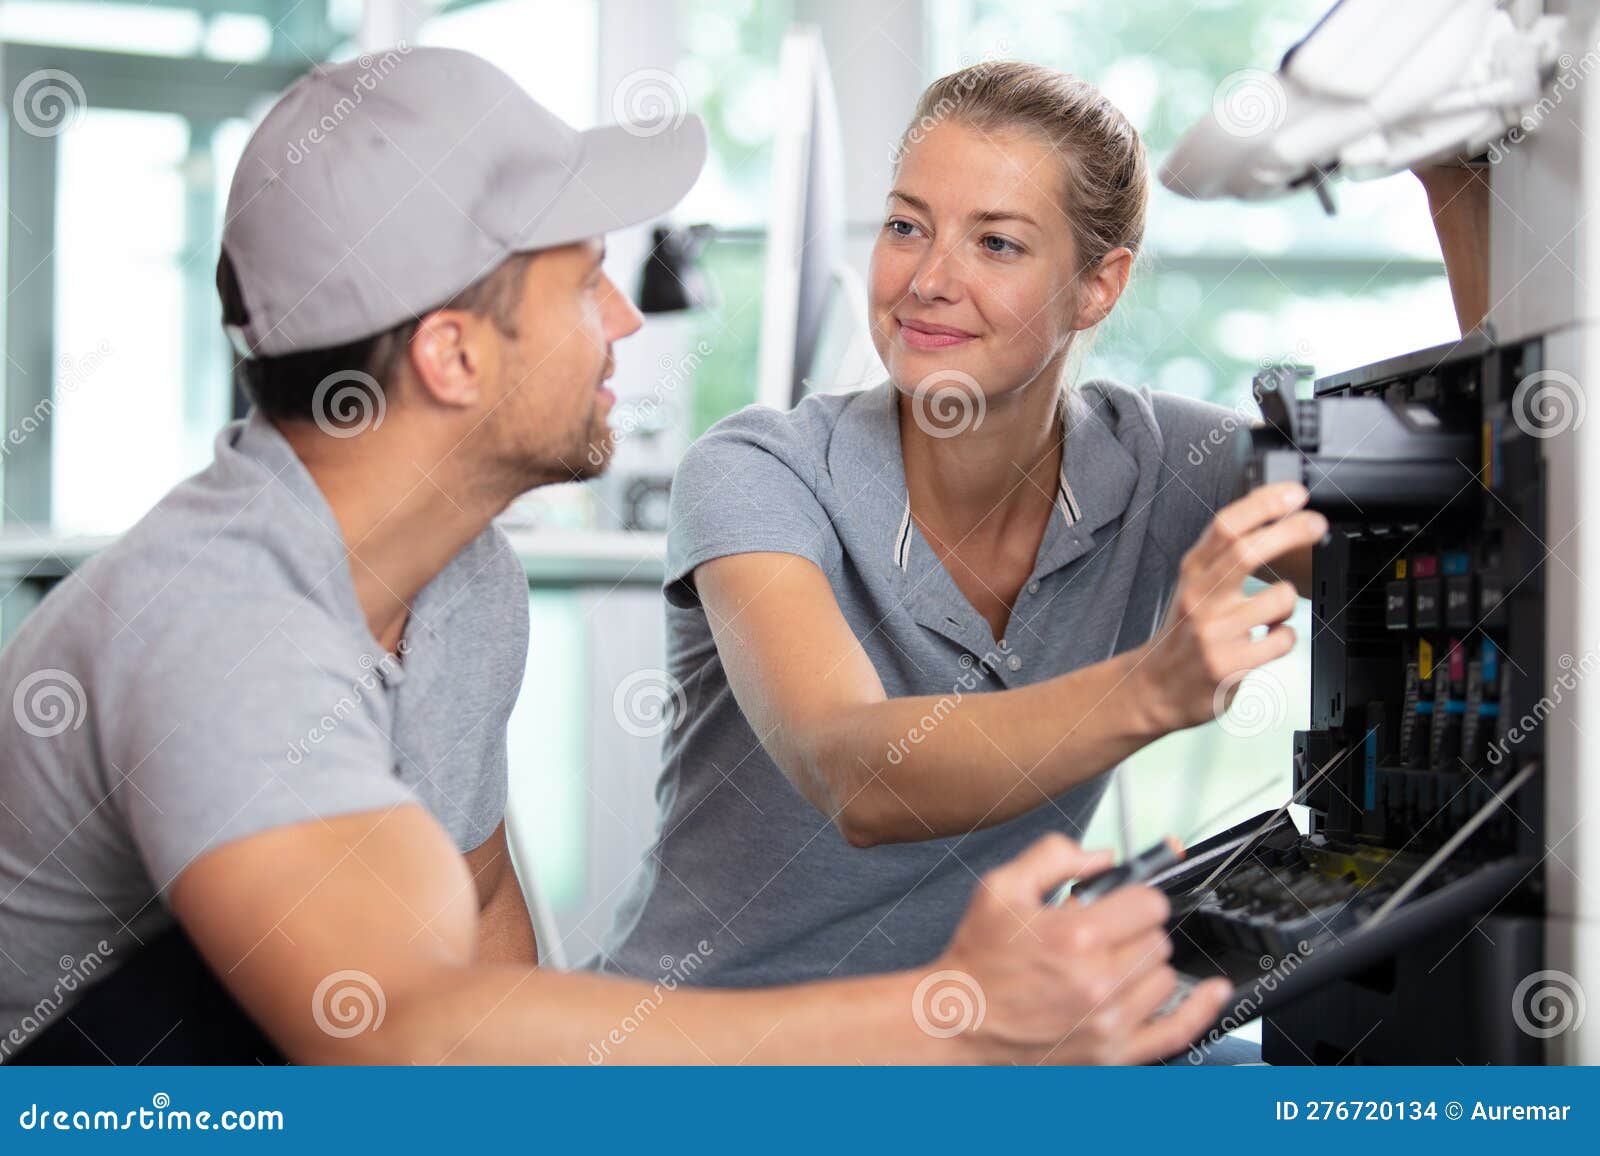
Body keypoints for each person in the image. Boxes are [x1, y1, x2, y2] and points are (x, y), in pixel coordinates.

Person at [0, 47, 1231, 1066]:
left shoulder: (461, 579)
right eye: (584, 282)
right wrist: (956, 1020)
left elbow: (482, 948)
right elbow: (401, 1033)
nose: (628, 319)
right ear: (453, 357)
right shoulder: (219, 620)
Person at [593, 62, 1491, 988]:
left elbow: (1474, 535)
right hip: (696, 1051)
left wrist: (1454, 191)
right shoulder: (757, 472)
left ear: (1098, 286)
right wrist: (1150, 687)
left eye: (997, 244)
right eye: (908, 227)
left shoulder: (1160, 460)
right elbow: (855, 771)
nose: (930, 280)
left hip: (966, 1052)